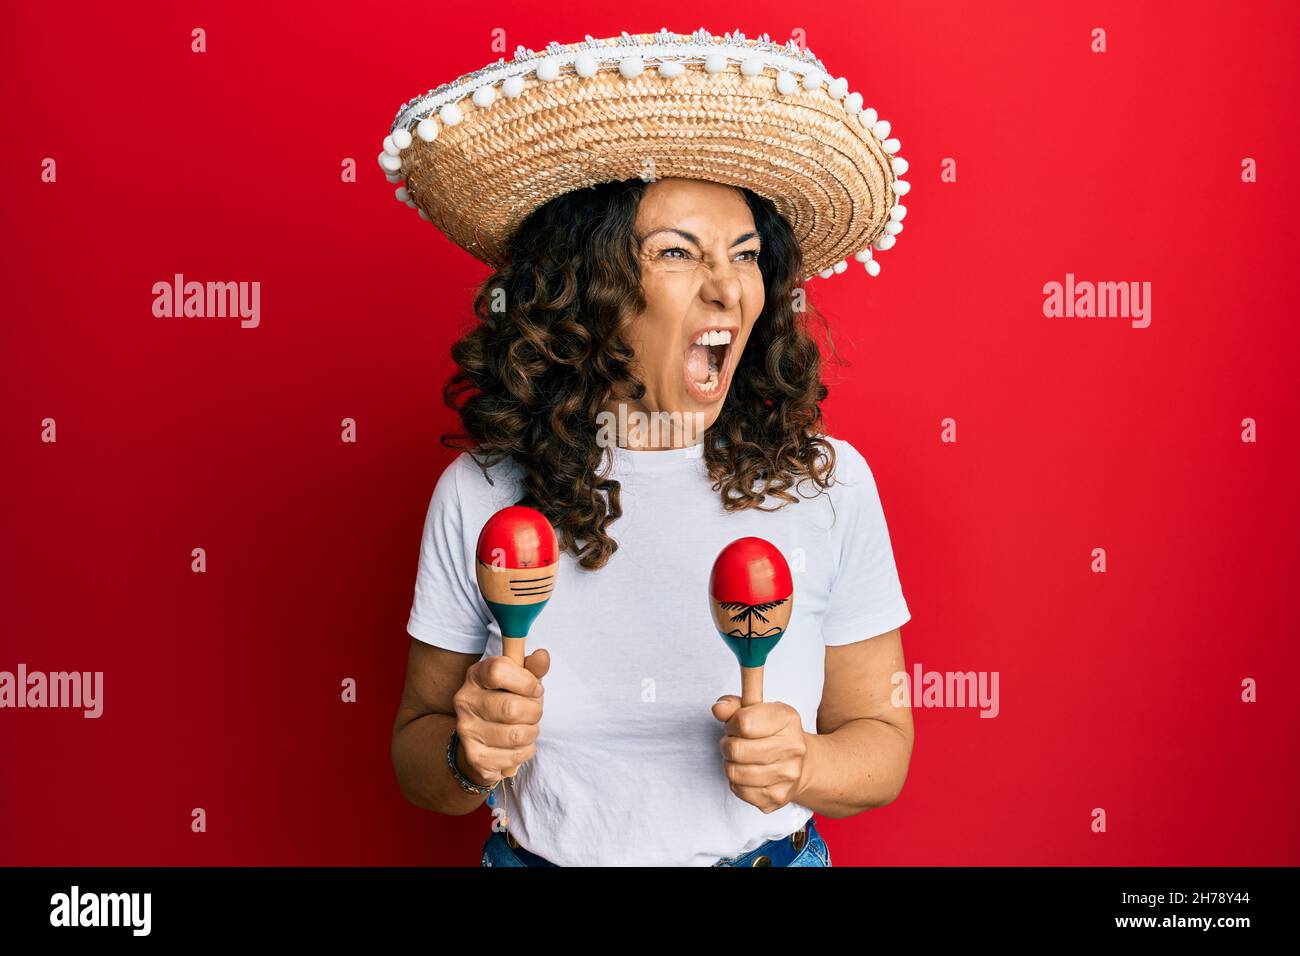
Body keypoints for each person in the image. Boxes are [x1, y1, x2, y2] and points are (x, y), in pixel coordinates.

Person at [385, 29, 915, 867]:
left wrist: (804, 762)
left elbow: (882, 742)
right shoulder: (483, 490)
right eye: (676, 253)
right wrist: (468, 751)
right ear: (587, 289)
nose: (726, 285)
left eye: (745, 256)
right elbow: (419, 756)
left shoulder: (828, 486)